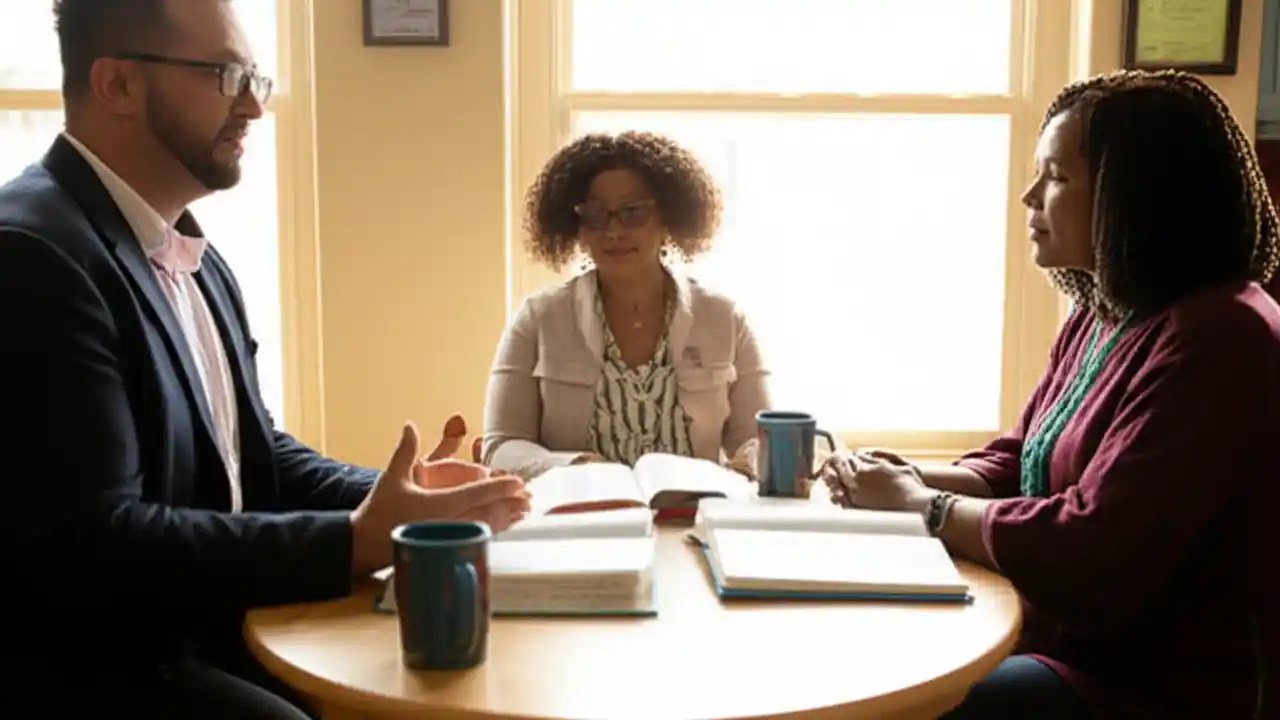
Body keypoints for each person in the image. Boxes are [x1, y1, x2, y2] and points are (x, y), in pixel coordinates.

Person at [0, 1, 529, 717]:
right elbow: (94, 544)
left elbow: (258, 460)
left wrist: (396, 503)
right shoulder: (33, 257)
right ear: (117, 85)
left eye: (254, 76)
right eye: (224, 74)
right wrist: (350, 540)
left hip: (192, 630)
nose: (252, 103)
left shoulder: (193, 257)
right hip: (92, 664)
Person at [821, 70, 1280, 719]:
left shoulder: (1222, 334)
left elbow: (1095, 544)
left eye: (1057, 176)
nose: (1029, 195)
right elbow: (1021, 459)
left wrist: (925, 507)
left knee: (899, 704)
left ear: (1136, 194)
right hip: (1066, 645)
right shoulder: (1104, 308)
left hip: (1150, 687)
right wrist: (899, 475)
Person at [482, 131, 771, 480]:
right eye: (595, 215)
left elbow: (756, 440)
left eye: (633, 213)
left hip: (695, 521)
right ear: (577, 227)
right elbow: (501, 446)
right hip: (576, 522)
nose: (614, 231)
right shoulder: (538, 319)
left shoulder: (724, 319)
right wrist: (574, 466)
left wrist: (754, 462)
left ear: (668, 219)